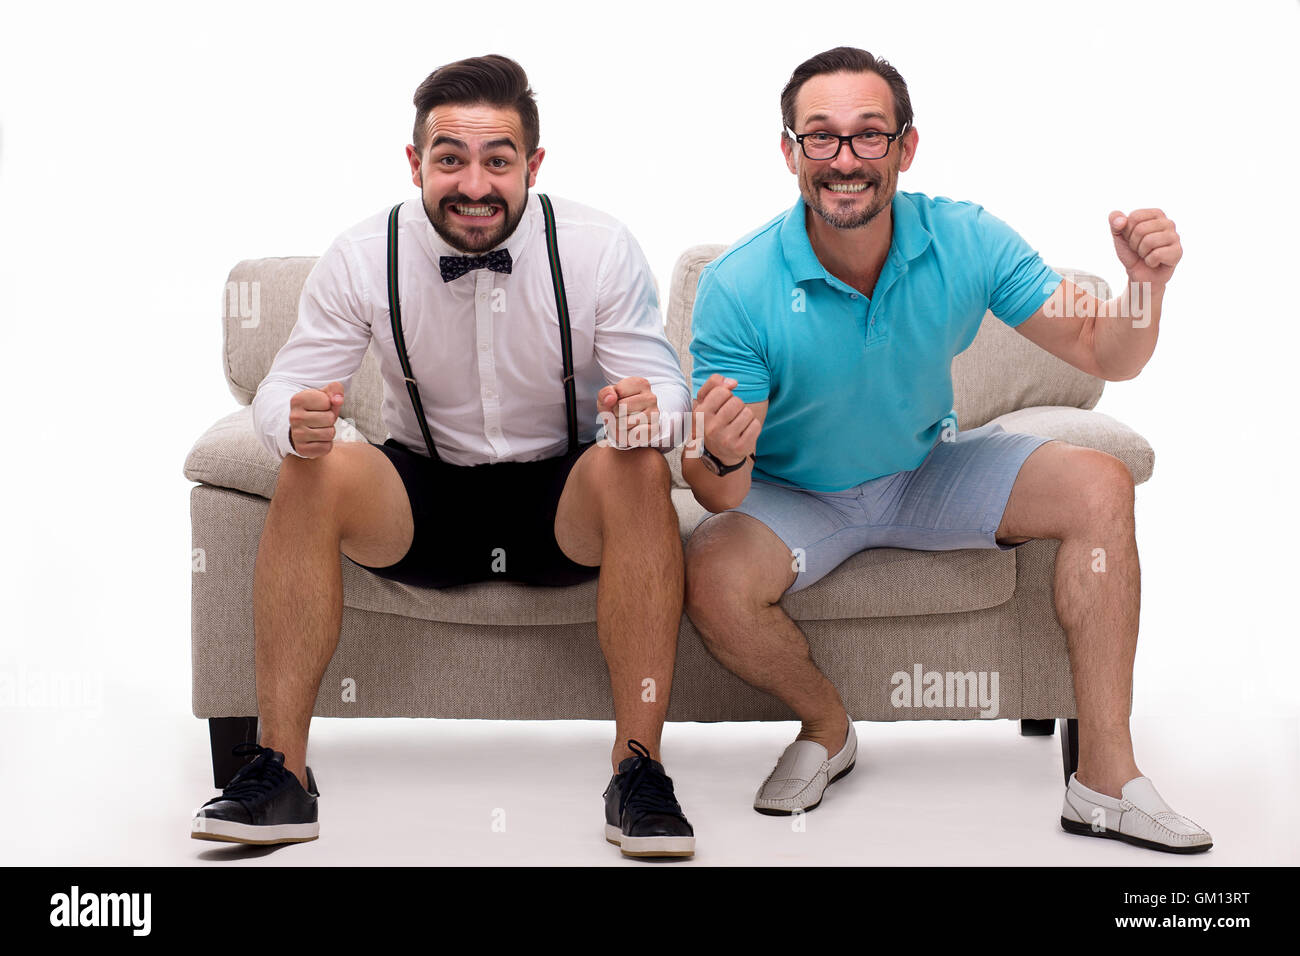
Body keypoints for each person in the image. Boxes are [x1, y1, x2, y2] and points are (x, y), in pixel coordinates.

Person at [682, 46, 1211, 853]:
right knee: (712, 573)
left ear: (906, 147)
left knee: (1100, 485)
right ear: (790, 152)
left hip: (926, 470)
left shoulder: (968, 241)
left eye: (869, 135)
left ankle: (1103, 779)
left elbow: (1108, 355)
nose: (846, 159)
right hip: (796, 494)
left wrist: (1143, 287)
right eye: (821, 137)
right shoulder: (739, 285)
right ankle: (828, 727)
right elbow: (718, 491)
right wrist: (715, 454)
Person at [190, 54, 695, 859]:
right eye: (450, 158)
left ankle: (638, 773)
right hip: (422, 491)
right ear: (415, 162)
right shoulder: (362, 254)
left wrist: (646, 413)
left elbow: (666, 387)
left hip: (561, 496)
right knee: (311, 467)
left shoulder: (599, 248)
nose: (474, 183)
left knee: (634, 463)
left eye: (498, 160)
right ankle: (281, 773)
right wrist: (295, 419)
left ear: (532, 165)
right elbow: (285, 382)